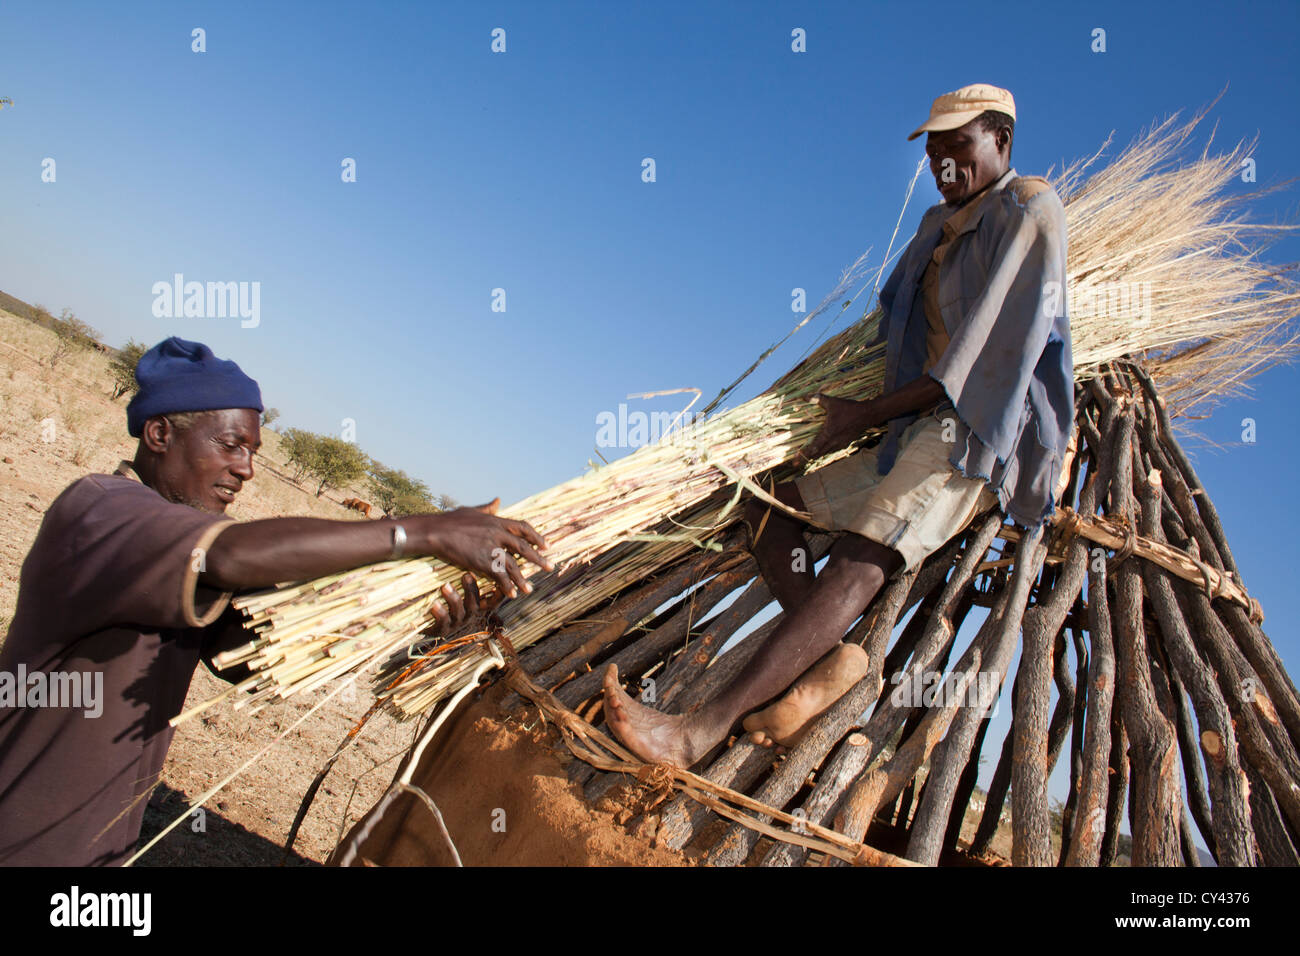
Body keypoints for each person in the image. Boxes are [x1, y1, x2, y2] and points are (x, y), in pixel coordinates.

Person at [603, 84, 1074, 768]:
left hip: (974, 432)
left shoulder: (1030, 209)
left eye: (958, 146)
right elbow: (894, 331)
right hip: (913, 423)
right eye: (934, 152)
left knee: (859, 562)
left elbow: (986, 359)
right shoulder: (932, 229)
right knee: (771, 509)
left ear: (1001, 140)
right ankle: (834, 660)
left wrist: (864, 416)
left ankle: (695, 733)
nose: (942, 164)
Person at [0, 336, 551, 865]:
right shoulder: (101, 511)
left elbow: (257, 652)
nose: (246, 469)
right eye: (231, 445)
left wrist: (414, 623)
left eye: (253, 451)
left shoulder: (176, 555)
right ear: (160, 434)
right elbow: (231, 557)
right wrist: (421, 533)